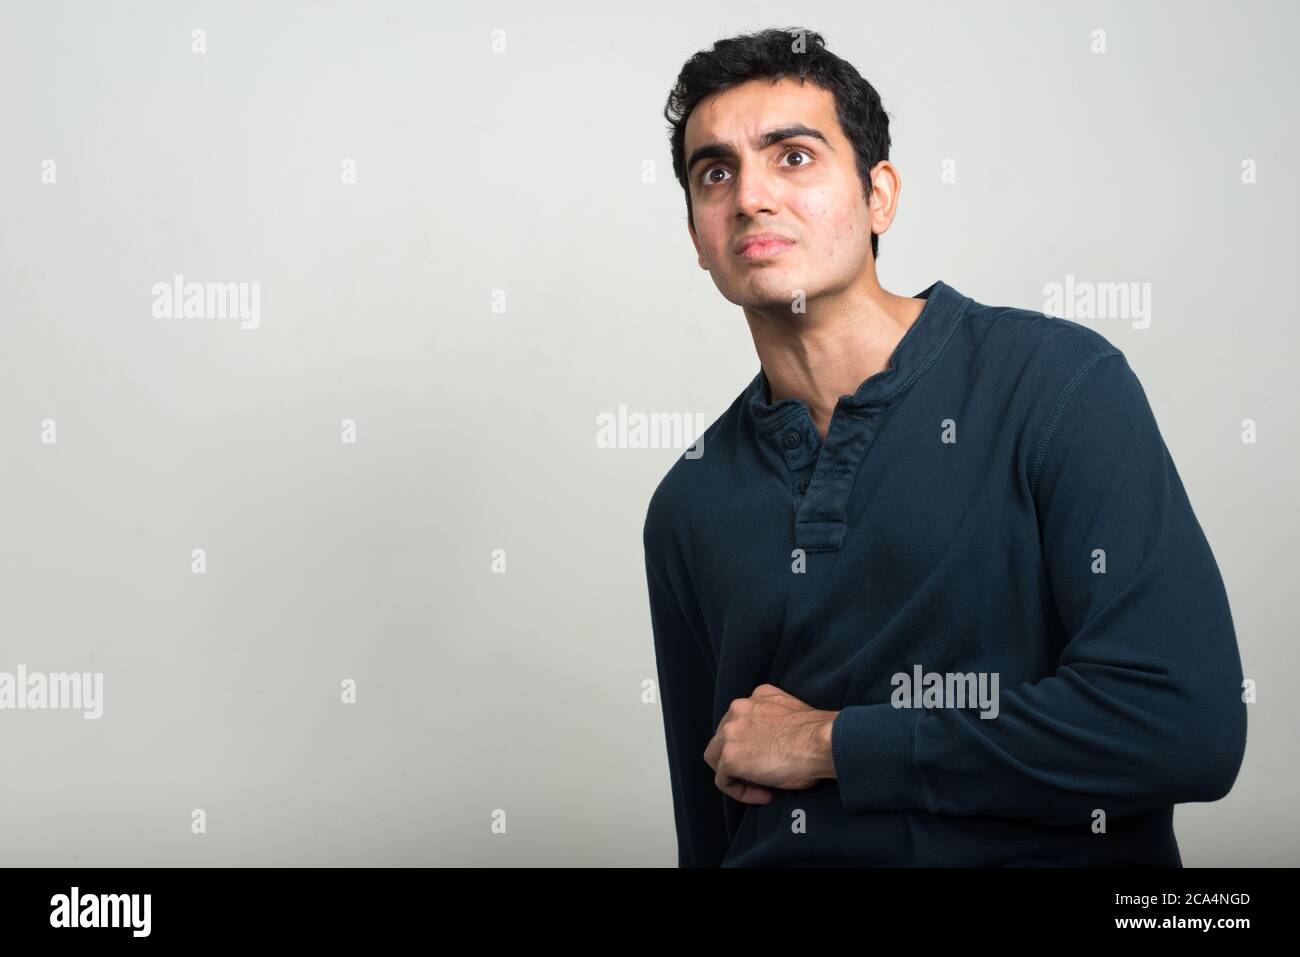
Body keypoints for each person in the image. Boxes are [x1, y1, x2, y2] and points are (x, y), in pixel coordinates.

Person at [642, 27, 1247, 866]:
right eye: (716, 173)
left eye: (793, 157)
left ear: (879, 195)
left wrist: (833, 743)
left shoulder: (1055, 383)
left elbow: (1184, 722)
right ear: (698, 236)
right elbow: (711, 827)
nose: (750, 197)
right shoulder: (689, 504)